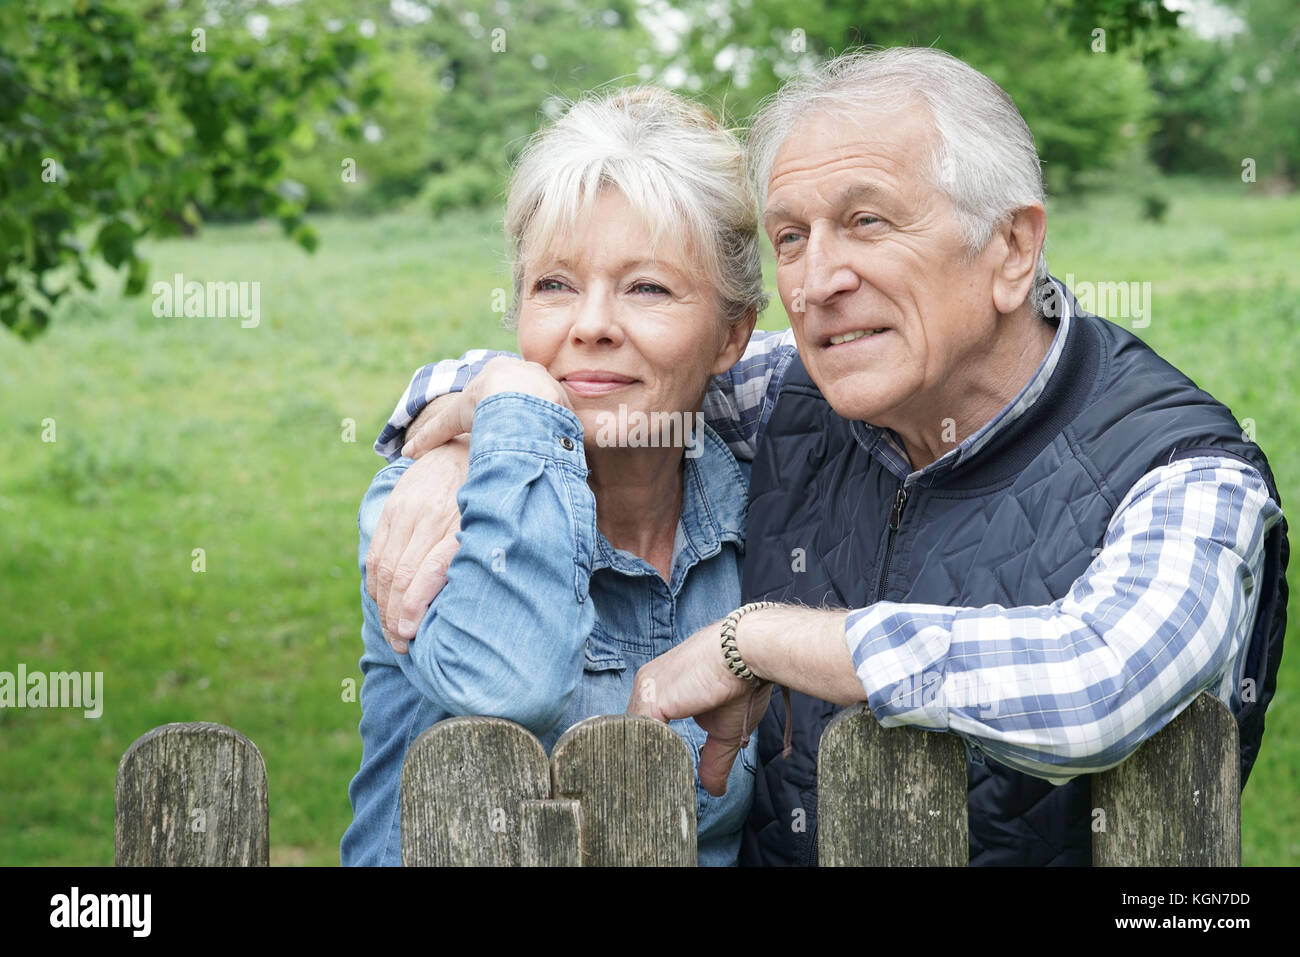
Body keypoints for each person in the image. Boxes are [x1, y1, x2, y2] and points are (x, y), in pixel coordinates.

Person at [367, 47, 1288, 867]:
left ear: (1011, 247)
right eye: (793, 237)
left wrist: (758, 639)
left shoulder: (1182, 469)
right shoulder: (798, 392)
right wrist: (480, 411)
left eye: (868, 222)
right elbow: (622, 363)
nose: (817, 282)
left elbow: (1101, 680)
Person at [340, 86, 767, 866]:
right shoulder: (425, 507)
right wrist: (515, 395)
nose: (592, 323)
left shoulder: (762, 520)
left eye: (646, 287)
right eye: (555, 286)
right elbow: (512, 686)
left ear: (733, 333)